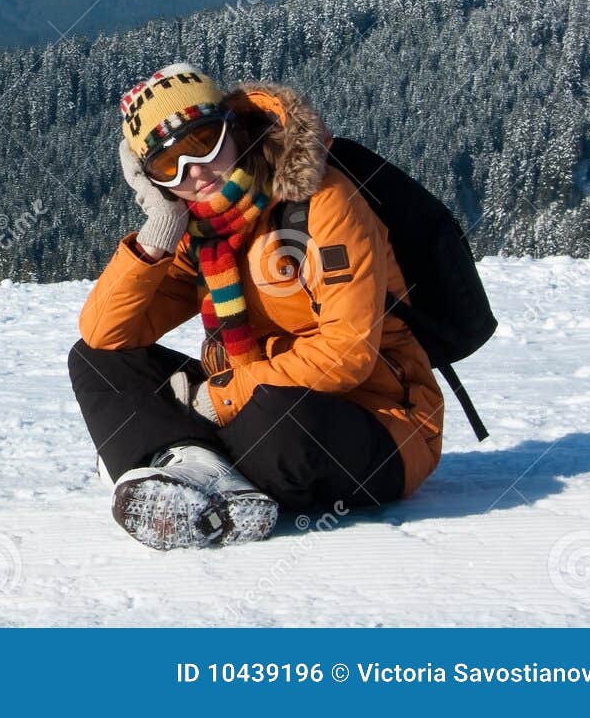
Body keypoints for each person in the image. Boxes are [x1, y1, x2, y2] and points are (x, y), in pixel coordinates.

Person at [69, 63, 444, 550]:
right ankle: (191, 468)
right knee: (95, 363)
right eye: (168, 166)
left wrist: (222, 395)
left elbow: (347, 353)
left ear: (234, 127)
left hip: (380, 420)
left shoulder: (322, 202)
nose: (194, 173)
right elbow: (106, 335)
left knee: (278, 424)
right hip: (257, 404)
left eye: (201, 143)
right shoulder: (201, 232)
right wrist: (158, 233)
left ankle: (161, 457)